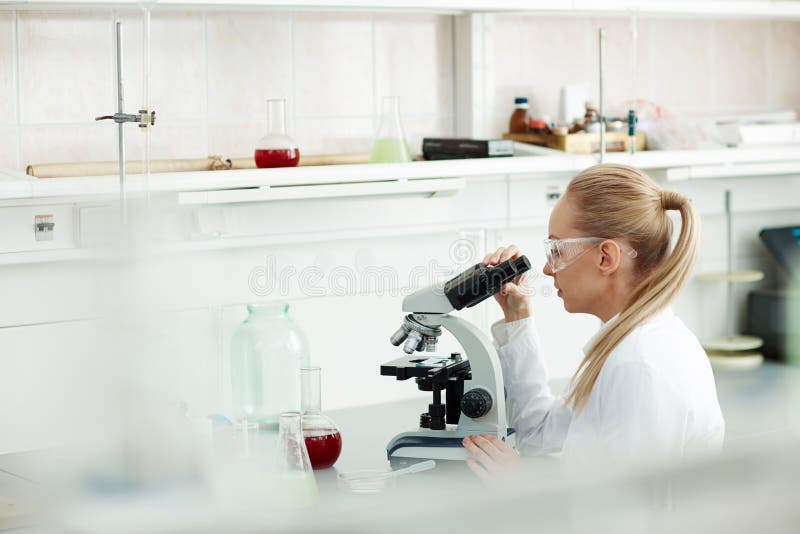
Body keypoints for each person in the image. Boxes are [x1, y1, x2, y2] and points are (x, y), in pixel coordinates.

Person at [462, 163, 725, 482]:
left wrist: (523, 486)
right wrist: (517, 316)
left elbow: (623, 521)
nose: (547, 268)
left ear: (606, 258)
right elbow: (540, 432)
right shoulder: (625, 342)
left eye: (556, 250)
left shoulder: (638, 365)